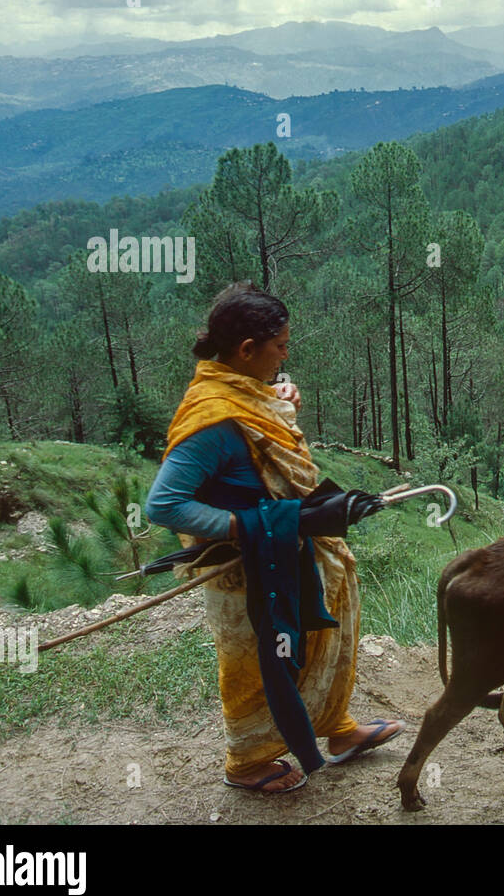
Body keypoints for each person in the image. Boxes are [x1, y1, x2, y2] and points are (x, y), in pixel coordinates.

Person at [146, 282, 402, 793]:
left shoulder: (238, 390)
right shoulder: (211, 422)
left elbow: (257, 441)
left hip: (291, 552)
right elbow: (164, 504)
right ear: (246, 350)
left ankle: (336, 728)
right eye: (280, 347)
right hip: (246, 570)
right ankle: (246, 761)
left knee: (315, 637)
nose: (286, 356)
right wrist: (245, 527)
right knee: (256, 662)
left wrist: (277, 395)